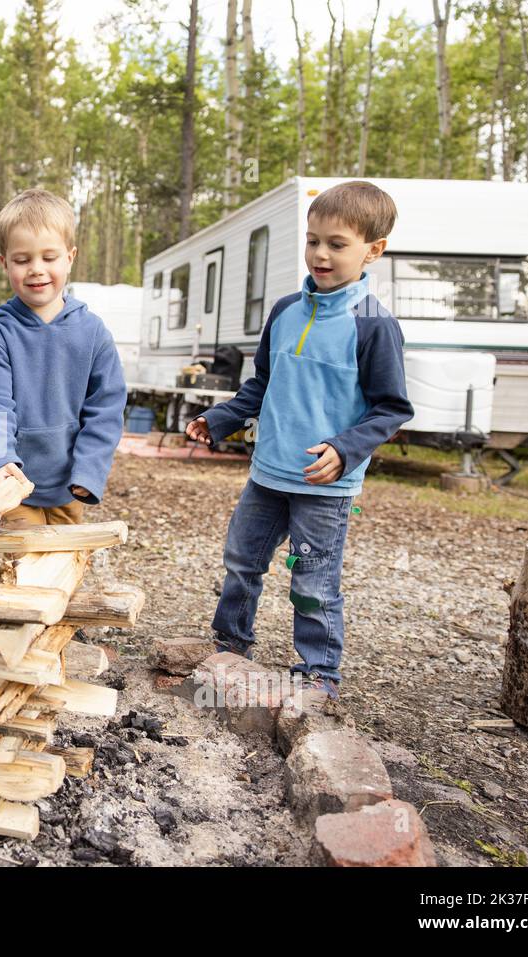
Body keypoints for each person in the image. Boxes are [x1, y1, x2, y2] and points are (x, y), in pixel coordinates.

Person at [186, 180, 413, 700]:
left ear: (373, 250)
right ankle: (230, 645)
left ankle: (319, 673)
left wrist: (345, 449)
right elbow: (262, 385)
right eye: (313, 241)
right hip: (268, 473)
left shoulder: (374, 326)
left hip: (323, 485)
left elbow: (392, 410)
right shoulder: (286, 310)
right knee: (242, 562)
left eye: (337, 243)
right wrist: (220, 419)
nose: (320, 254)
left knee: (312, 581)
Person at [0, 188, 126, 530]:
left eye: (49, 257)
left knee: (63, 565)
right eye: (22, 260)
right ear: (5, 263)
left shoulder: (93, 333)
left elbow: (106, 410)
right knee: (25, 567)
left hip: (69, 485)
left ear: (70, 257)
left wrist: (89, 470)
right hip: (14, 485)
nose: (36, 270)